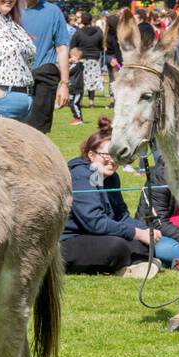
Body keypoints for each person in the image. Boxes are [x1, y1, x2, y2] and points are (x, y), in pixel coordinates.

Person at [60, 118, 157, 276]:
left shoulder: (112, 178)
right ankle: (127, 266)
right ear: (91, 155)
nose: (112, 161)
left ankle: (129, 264)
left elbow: (121, 215)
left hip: (95, 235)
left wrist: (145, 230)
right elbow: (94, 222)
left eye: (116, 155)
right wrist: (135, 233)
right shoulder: (81, 176)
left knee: (143, 243)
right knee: (117, 246)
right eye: (107, 155)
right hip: (70, 240)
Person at [19, 0, 71, 133]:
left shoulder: (53, 11)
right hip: (15, 83)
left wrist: (64, 84)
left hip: (44, 82)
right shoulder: (10, 11)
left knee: (37, 135)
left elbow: (62, 48)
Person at [69, 12, 106, 109]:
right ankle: (91, 102)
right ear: (91, 20)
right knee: (92, 82)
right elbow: (102, 45)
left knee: (81, 82)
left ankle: (79, 101)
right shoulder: (98, 31)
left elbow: (72, 45)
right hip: (94, 59)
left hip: (82, 59)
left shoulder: (79, 32)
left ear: (82, 20)